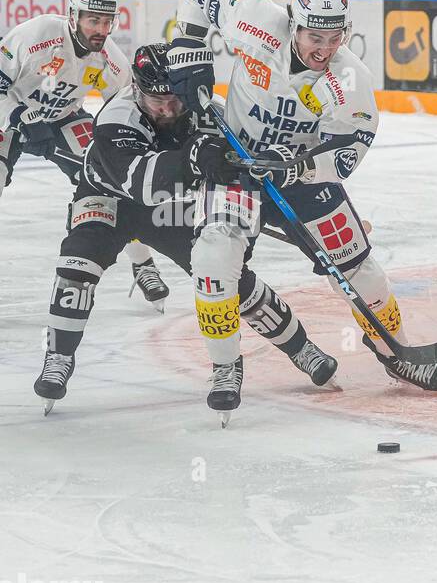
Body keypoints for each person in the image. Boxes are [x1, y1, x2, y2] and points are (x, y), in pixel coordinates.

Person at [165, 0, 437, 419]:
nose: (323, 47)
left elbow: (348, 147)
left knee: (363, 271)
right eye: (314, 34)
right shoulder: (256, 20)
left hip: (299, 177)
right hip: (235, 165)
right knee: (213, 260)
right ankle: (224, 366)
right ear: (293, 24)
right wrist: (189, 43)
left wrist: (297, 165)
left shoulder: (348, 78)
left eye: (334, 35)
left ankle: (393, 353)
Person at [34, 43, 337, 414]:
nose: (166, 109)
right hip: (109, 198)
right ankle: (58, 357)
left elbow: (245, 181)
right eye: (154, 100)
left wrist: (245, 199)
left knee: (226, 277)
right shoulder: (117, 115)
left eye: (173, 100)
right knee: (76, 267)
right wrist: (195, 157)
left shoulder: (211, 113)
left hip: (170, 207)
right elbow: (140, 183)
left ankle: (300, 348)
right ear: (136, 89)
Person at [1, 0, 171, 306]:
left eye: (107, 22)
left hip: (64, 116)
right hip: (9, 112)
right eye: (93, 20)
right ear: (73, 16)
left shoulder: (109, 57)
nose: (101, 29)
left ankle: (143, 264)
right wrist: (19, 117)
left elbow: (126, 106)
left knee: (112, 181)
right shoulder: (37, 34)